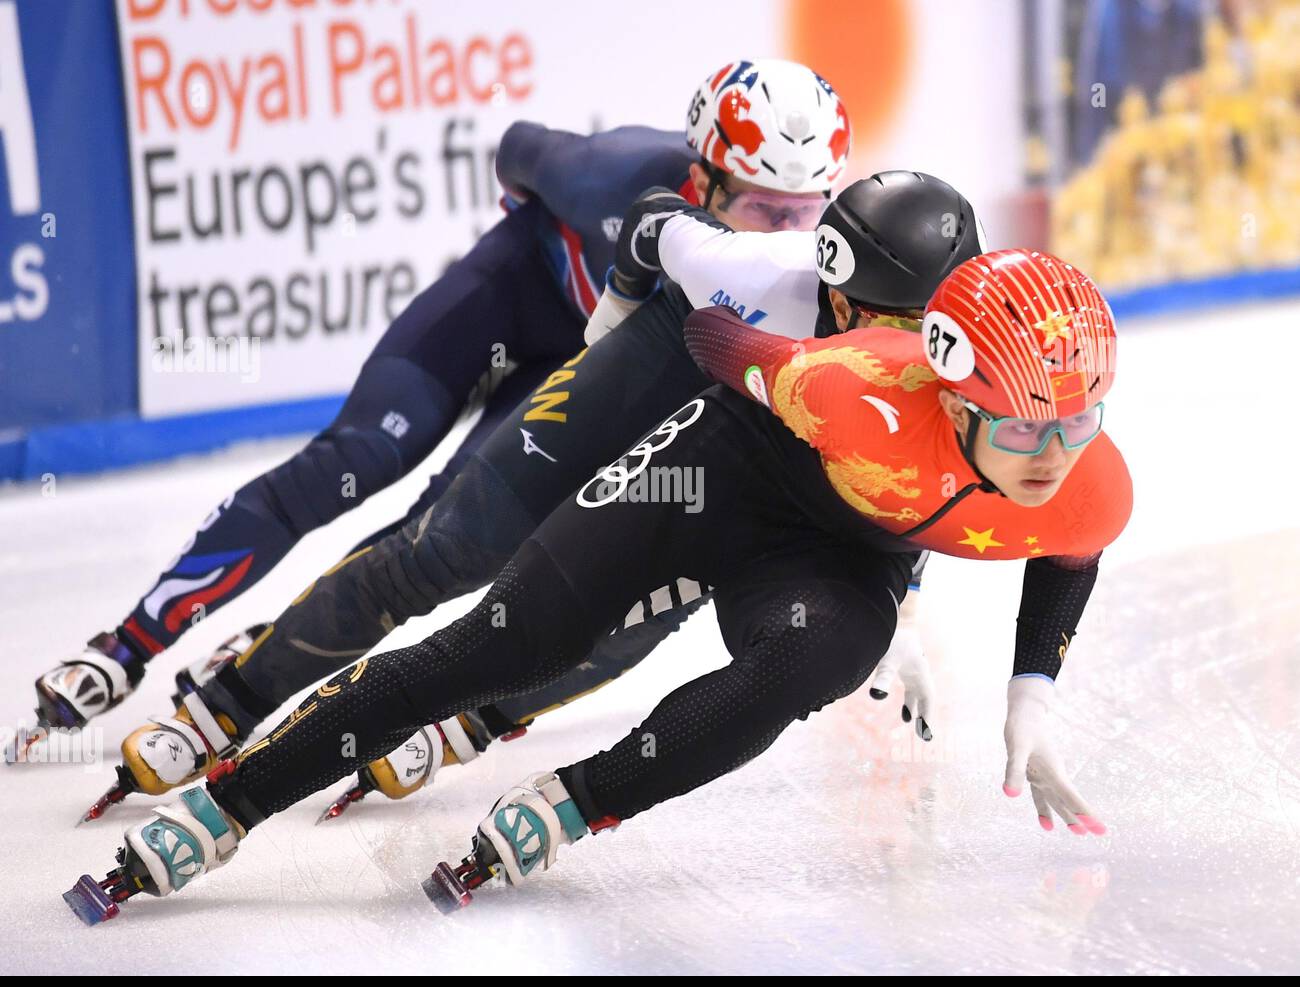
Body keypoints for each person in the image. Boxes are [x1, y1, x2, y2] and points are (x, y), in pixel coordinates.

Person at [67, 249, 1128, 922]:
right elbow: (718, 339)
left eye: (1075, 423)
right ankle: (230, 804)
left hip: (833, 562)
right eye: (1030, 427)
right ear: (950, 395)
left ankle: (580, 802)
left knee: (812, 662)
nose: (1053, 455)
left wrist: (1030, 693)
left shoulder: (1086, 486)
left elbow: (1068, 556)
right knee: (497, 648)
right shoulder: (850, 390)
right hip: (715, 473)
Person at [91, 165, 982, 820]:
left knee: (641, 606)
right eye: (762, 204)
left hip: (741, 442)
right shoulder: (755, 271)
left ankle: (468, 719)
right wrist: (611, 327)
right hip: (665, 358)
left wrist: (891, 606)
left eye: (918, 326)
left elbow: (915, 483)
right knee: (448, 550)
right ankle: (232, 705)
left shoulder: (952, 355)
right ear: (831, 285)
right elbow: (649, 220)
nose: (892, 348)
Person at [28, 58, 845, 749]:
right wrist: (524, 231)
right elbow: (517, 148)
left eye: (807, 212)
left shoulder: (808, 266)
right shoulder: (613, 173)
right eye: (767, 211)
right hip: (508, 296)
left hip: (582, 360)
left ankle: (267, 648)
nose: (787, 233)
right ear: (699, 177)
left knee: (450, 524)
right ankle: (127, 644)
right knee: (357, 459)